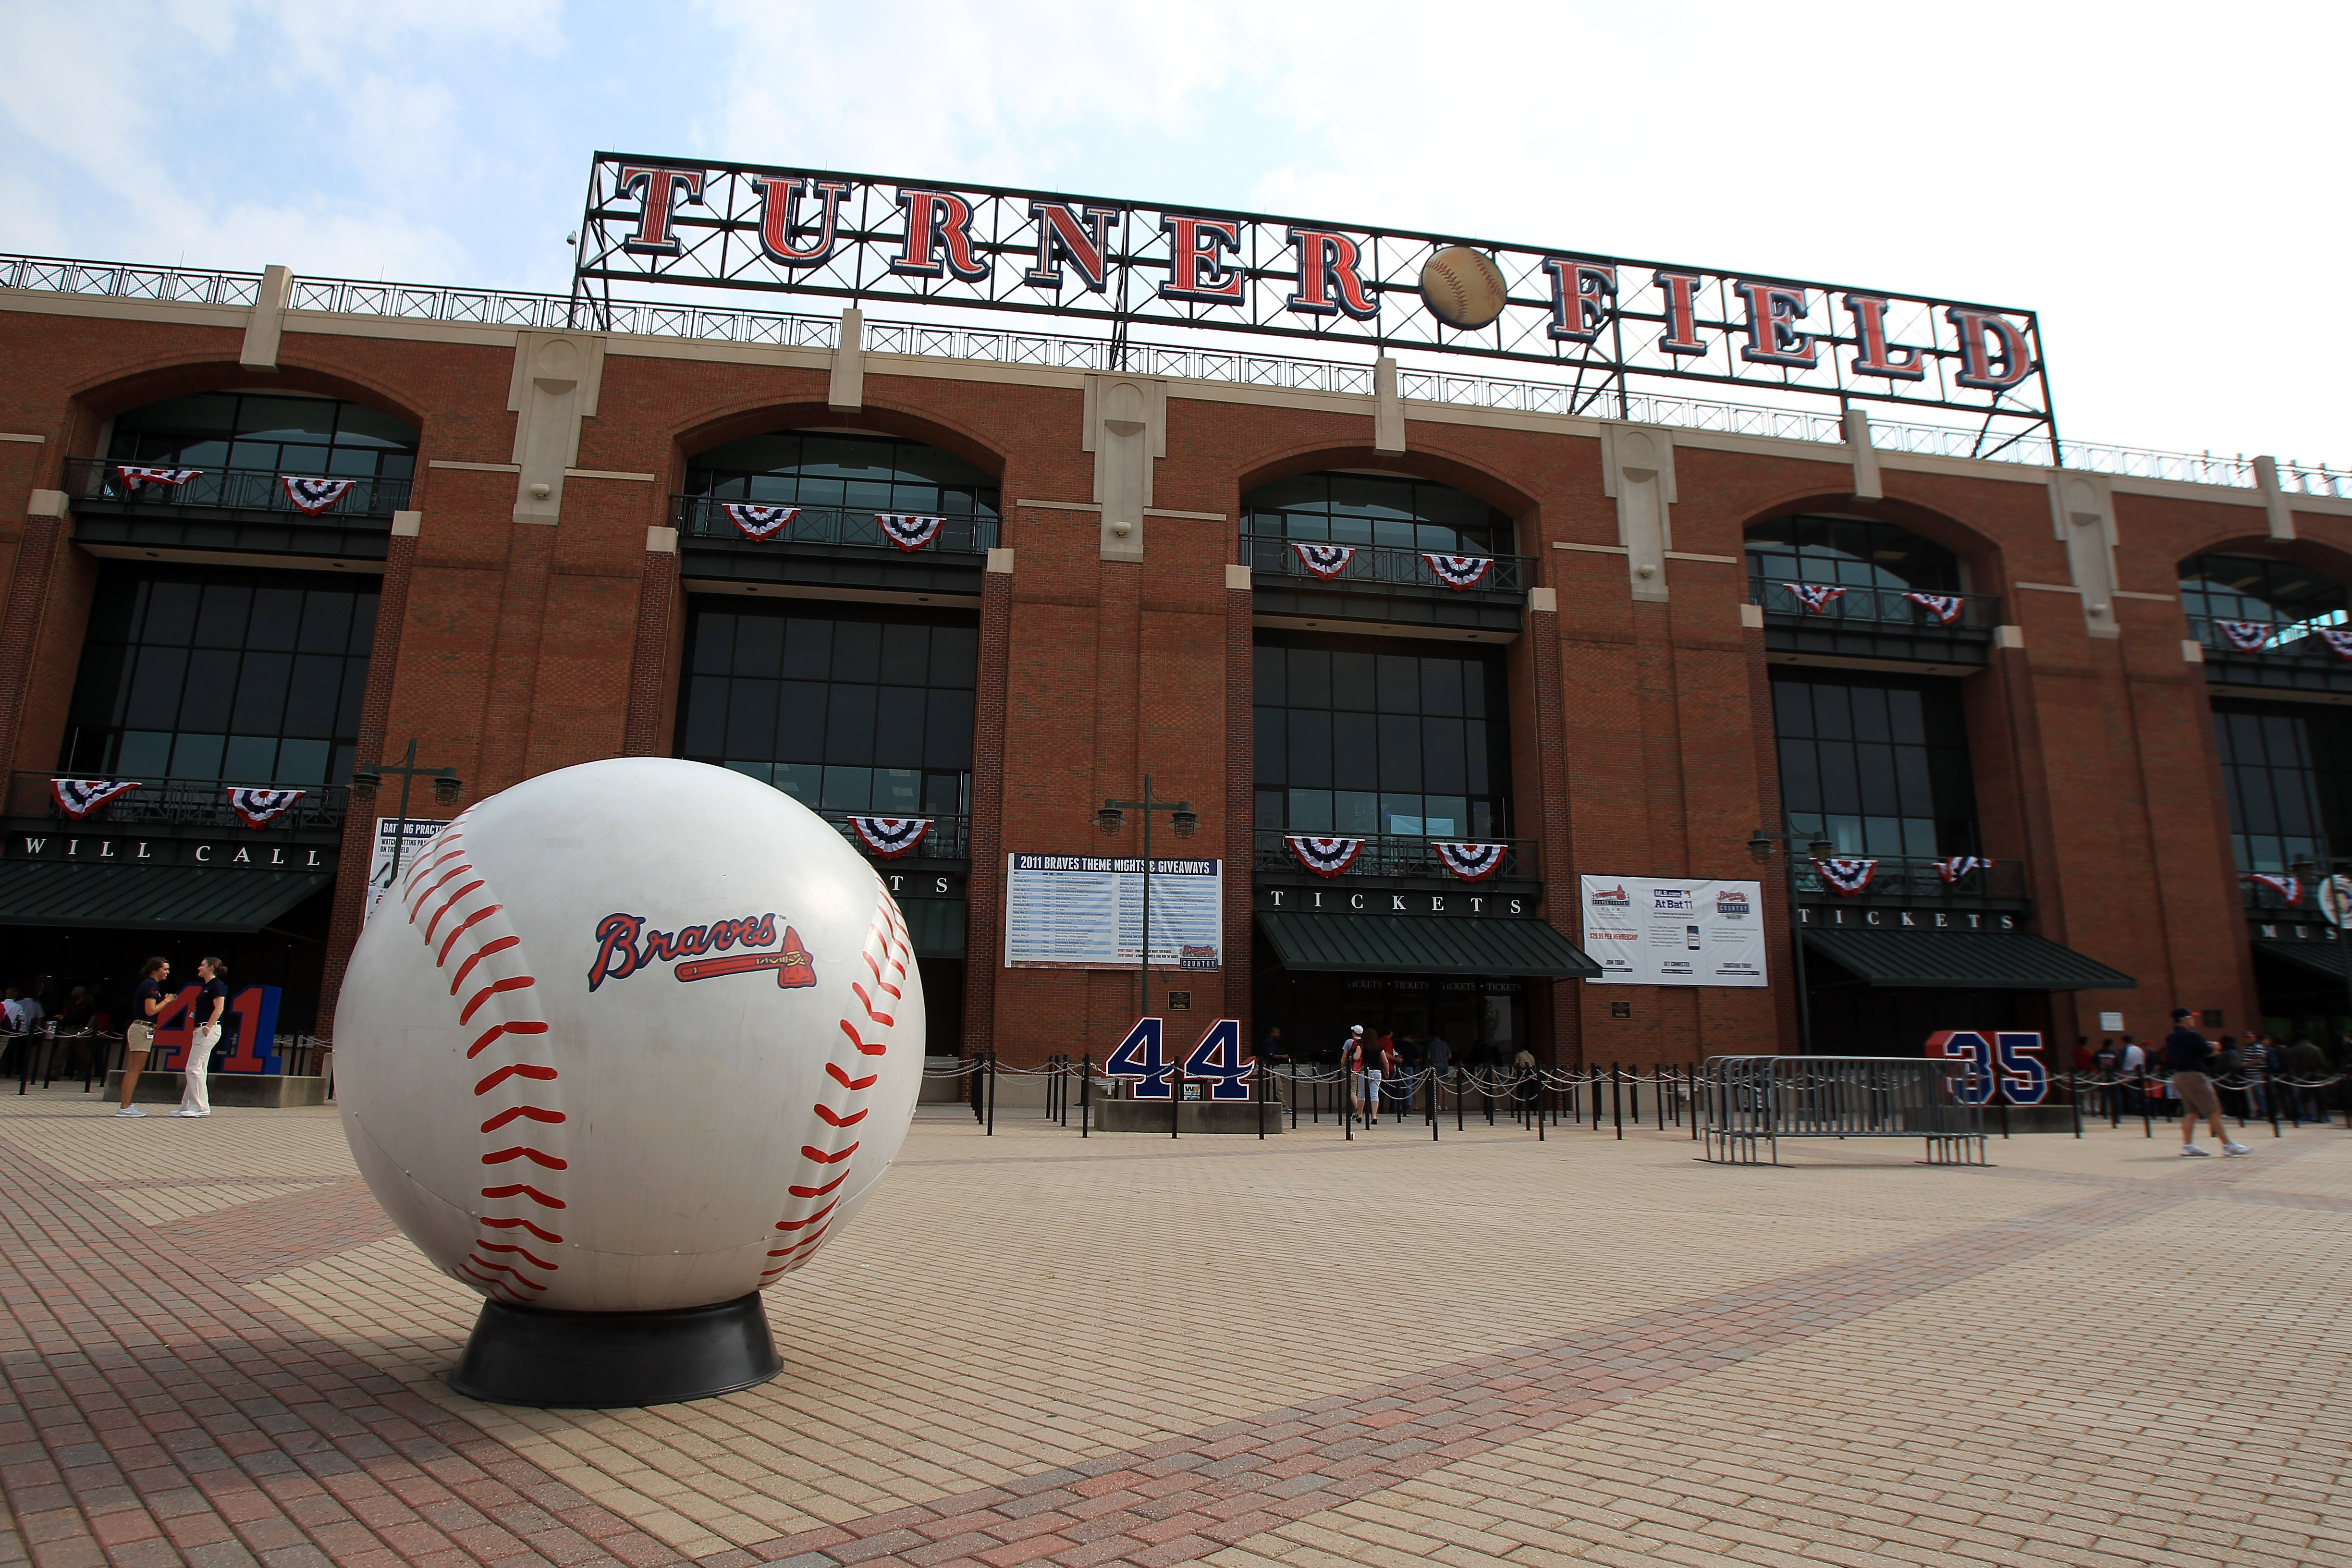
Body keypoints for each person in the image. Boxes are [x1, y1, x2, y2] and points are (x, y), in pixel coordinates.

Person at [2165, 1007, 2250, 1157]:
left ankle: (2188, 1145)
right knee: (2213, 1110)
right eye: (2191, 1018)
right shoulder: (2192, 1035)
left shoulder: (2172, 1036)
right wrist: (2215, 1047)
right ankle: (2228, 1145)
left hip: (2179, 1076)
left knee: (2191, 1112)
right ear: (2185, 1019)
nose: (2194, 1020)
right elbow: (2209, 1052)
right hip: (2194, 1076)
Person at [114, 956, 173, 1118]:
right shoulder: (151, 985)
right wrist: (167, 1001)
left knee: (135, 1069)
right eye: (165, 969)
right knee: (134, 1070)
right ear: (155, 970)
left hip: (144, 1029)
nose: (167, 972)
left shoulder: (150, 985)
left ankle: (126, 1105)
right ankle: (125, 1107)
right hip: (142, 1028)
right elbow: (151, 1010)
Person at [176, 957, 227, 1117]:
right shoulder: (206, 986)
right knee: (199, 1067)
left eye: (202, 966)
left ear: (211, 968)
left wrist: (208, 1027)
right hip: (200, 1029)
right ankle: (187, 1106)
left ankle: (201, 1106)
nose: (199, 968)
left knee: (193, 1067)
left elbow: (219, 1008)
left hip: (207, 1030)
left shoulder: (217, 986)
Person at [2288, 1035, 2330, 1125]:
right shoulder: (2316, 1049)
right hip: (2316, 1074)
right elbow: (2323, 1063)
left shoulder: (2296, 1049)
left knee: (2304, 1097)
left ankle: (2307, 1115)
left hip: (2303, 1076)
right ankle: (2323, 1115)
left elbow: (2294, 1063)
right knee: (2320, 1097)